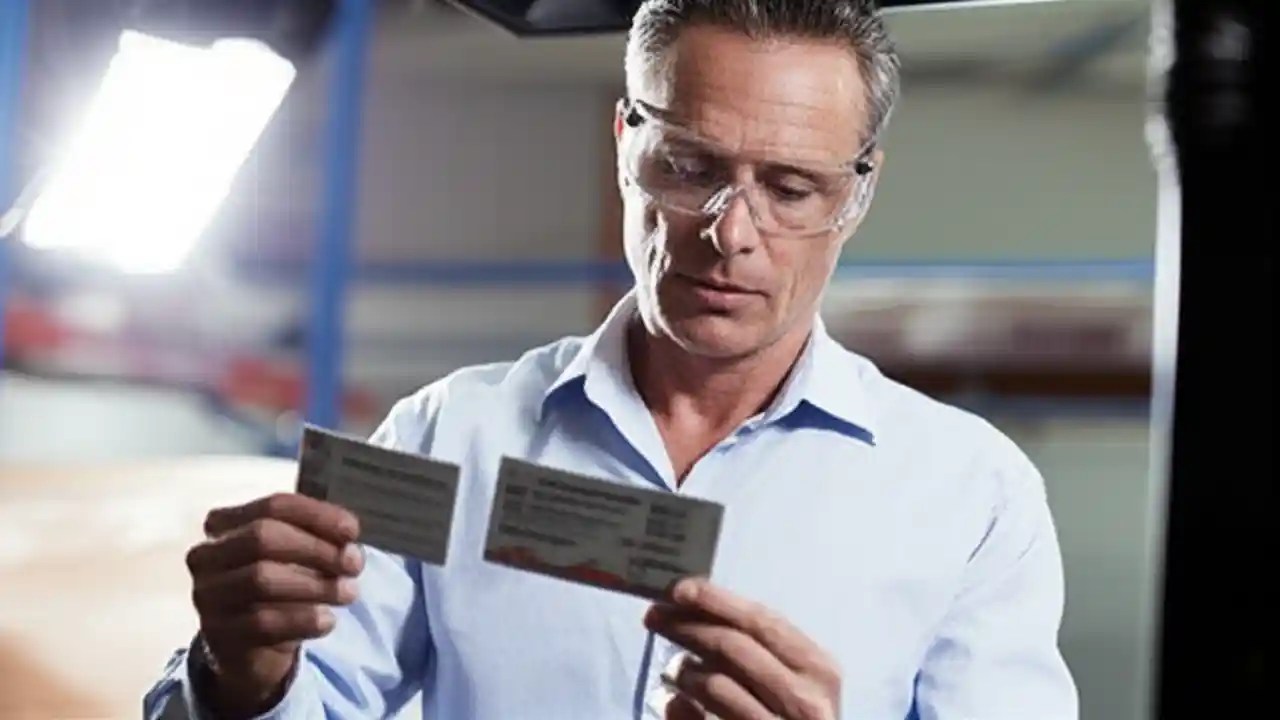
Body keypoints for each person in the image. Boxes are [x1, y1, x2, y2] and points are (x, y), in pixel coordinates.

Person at [144, 1, 1079, 718]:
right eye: (690, 166)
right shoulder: (446, 437)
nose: (730, 234)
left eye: (791, 188)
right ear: (627, 138)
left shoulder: (970, 495)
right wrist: (239, 674)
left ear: (859, 192)